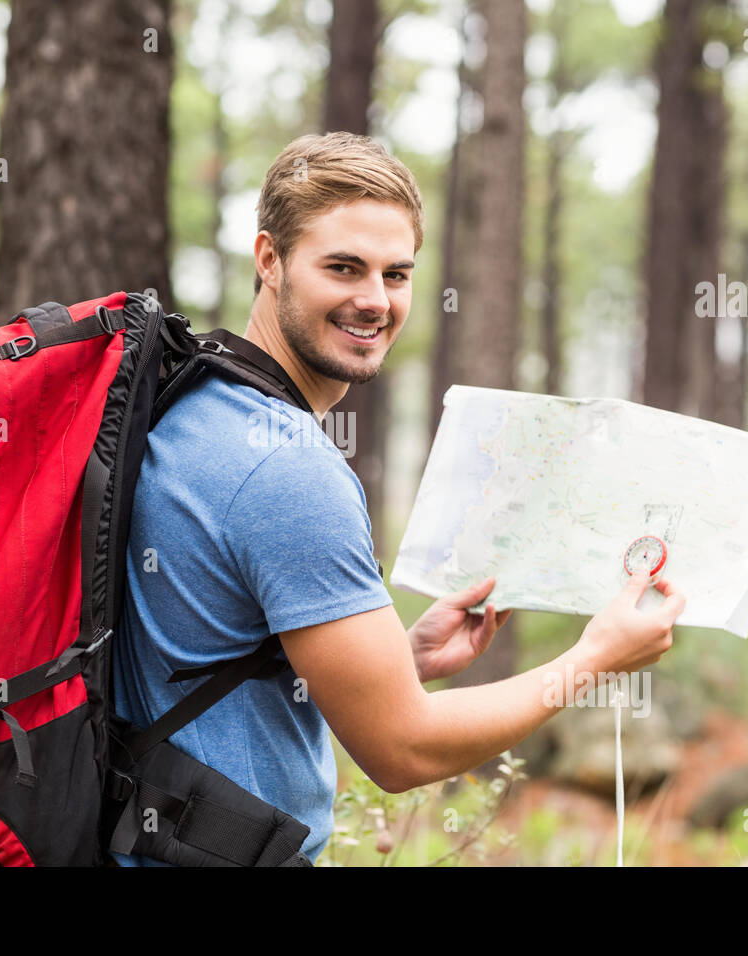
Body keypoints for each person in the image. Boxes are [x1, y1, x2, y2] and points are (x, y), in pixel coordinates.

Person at [110, 131, 685, 866]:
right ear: (269, 260)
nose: (374, 301)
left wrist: (396, 661)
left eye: (397, 274)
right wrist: (594, 657)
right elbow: (402, 752)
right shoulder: (286, 470)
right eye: (343, 268)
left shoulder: (193, 402)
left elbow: (201, 647)